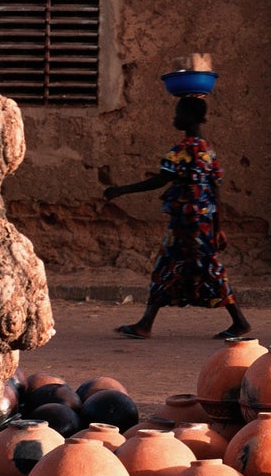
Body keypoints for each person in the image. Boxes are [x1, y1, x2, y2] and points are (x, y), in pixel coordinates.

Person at [104, 96, 251, 340]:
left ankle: (238, 321)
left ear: (189, 117)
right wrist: (218, 227)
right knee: (188, 269)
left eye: (178, 113)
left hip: (188, 225)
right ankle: (147, 323)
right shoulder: (207, 150)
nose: (174, 117)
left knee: (197, 269)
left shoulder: (184, 150)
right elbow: (215, 190)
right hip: (200, 222)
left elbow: (160, 180)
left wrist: (121, 190)